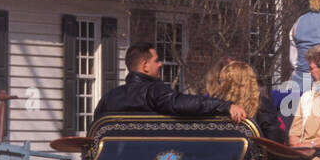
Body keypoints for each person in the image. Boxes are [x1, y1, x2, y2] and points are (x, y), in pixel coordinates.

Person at [94, 43, 246, 123]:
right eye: (157, 60)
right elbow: (182, 104)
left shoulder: (109, 98)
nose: (160, 64)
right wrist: (225, 106)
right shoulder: (153, 91)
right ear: (145, 66)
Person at [207, 59, 284, 142]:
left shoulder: (218, 104)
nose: (221, 85)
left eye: (222, 80)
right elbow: (275, 138)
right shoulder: (262, 104)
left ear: (230, 83)